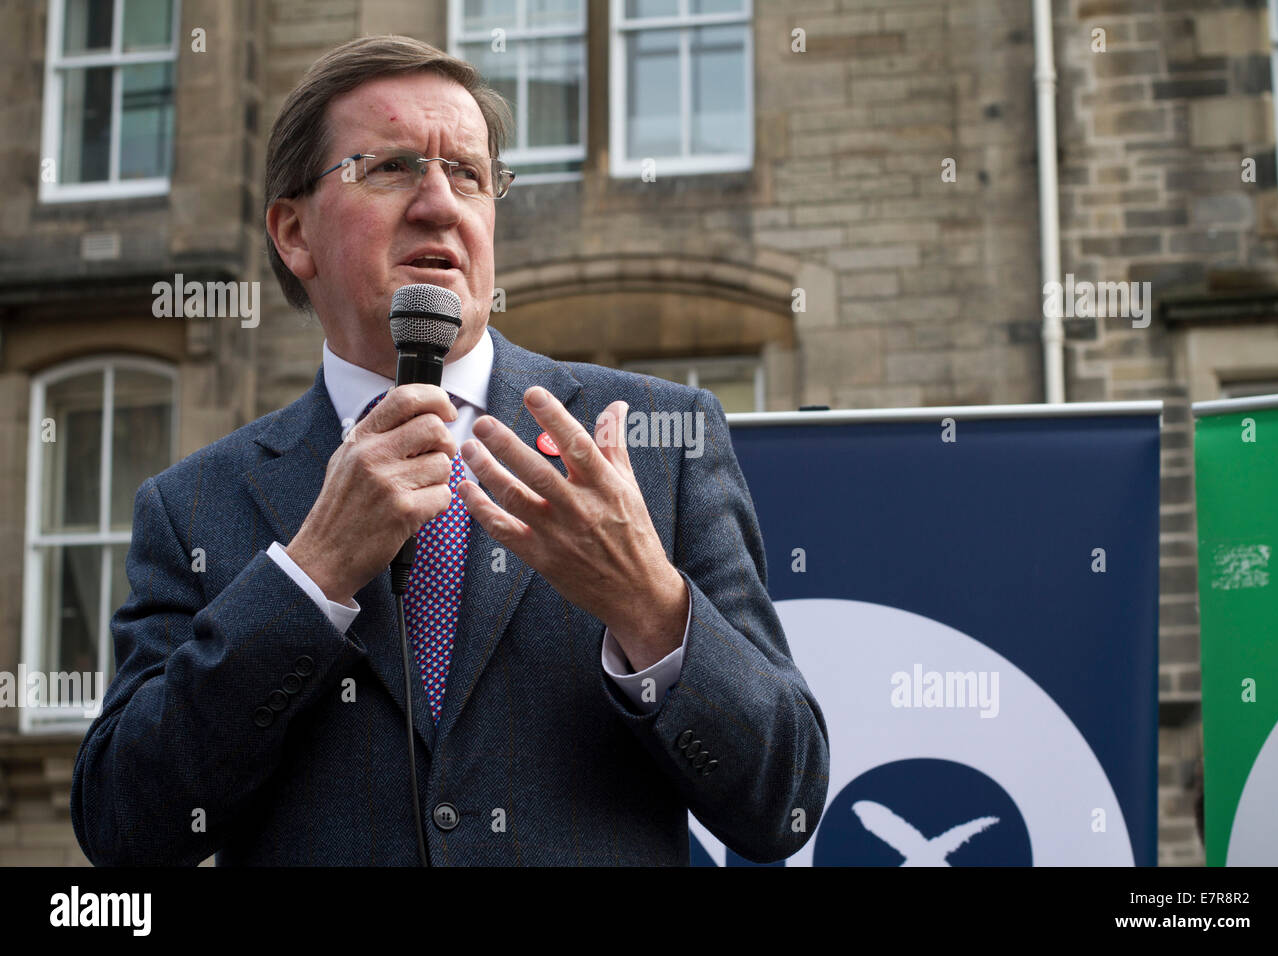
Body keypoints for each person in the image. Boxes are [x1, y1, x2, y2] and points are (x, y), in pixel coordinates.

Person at [71, 35, 829, 866]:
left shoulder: (657, 441)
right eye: (391, 167)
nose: (439, 202)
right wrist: (311, 575)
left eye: (467, 173)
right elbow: (124, 827)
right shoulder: (195, 508)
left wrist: (647, 602)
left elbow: (783, 802)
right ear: (293, 232)